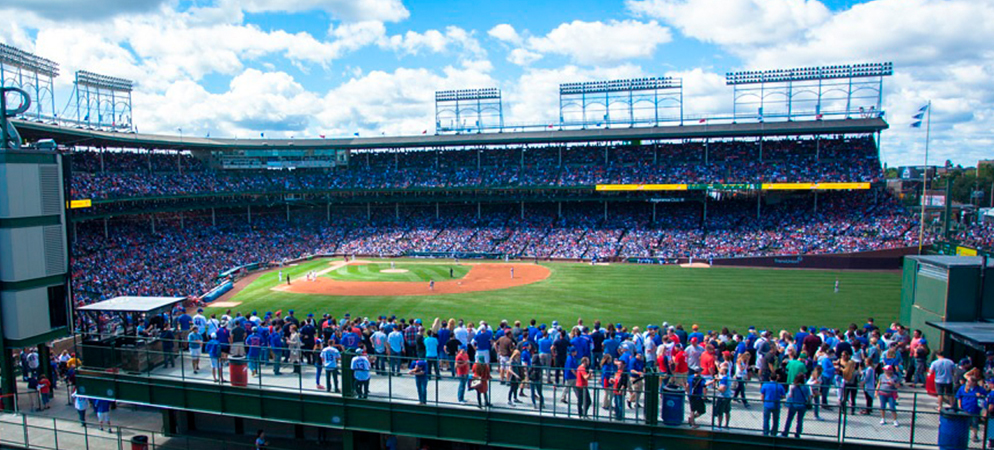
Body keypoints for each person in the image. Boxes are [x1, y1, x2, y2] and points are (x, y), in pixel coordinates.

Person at [956, 372, 987, 442]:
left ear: (974, 382)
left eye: (969, 381)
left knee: (975, 423)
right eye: (967, 381)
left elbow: (986, 398)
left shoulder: (980, 389)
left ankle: (975, 435)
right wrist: (959, 406)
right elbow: (959, 397)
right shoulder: (963, 388)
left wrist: (981, 396)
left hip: (974, 409)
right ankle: (962, 435)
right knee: (963, 423)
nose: (967, 382)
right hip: (964, 408)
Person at [782, 373, 810, 438]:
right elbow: (809, 397)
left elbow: (790, 395)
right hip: (802, 405)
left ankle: (785, 432)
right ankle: (797, 433)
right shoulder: (806, 386)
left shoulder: (793, 386)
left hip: (793, 404)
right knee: (800, 420)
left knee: (789, 419)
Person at [710, 364, 732, 429]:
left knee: (720, 412)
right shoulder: (728, 377)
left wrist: (716, 387)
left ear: (724, 371)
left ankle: (719, 425)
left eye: (721, 369)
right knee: (727, 411)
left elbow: (722, 389)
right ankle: (726, 424)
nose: (719, 370)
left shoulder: (724, 379)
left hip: (722, 397)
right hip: (728, 396)